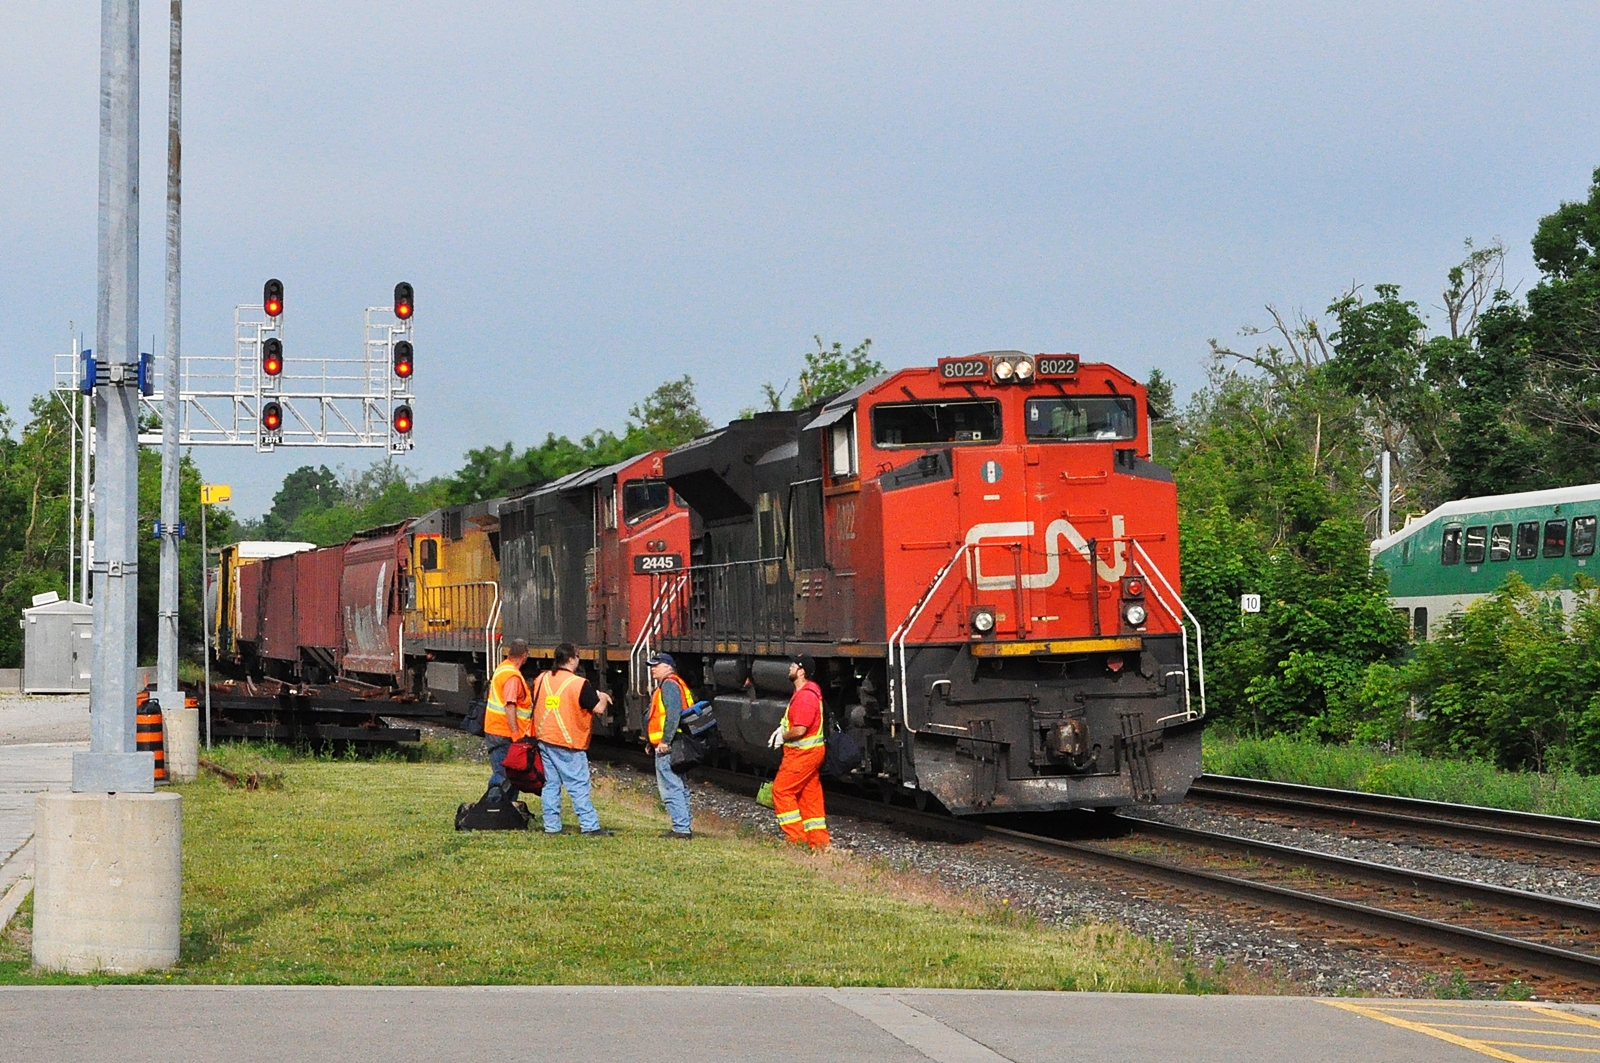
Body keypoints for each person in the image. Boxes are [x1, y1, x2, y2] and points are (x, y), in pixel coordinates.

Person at [533, 642, 613, 836]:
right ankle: (590, 826)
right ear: (570, 659)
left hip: (545, 737)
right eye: (577, 656)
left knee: (551, 784)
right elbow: (598, 708)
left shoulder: (541, 678)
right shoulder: (579, 683)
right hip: (569, 742)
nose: (578, 660)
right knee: (578, 785)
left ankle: (551, 826)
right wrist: (603, 696)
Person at [766, 651, 829, 850]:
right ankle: (818, 842)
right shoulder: (807, 693)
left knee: (781, 791)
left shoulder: (805, 697)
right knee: (810, 795)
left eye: (793, 665)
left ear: (801, 672)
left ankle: (796, 840)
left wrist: (781, 736)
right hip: (810, 753)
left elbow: (800, 729)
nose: (790, 668)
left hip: (802, 754)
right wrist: (782, 729)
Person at [644, 652, 693, 839]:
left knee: (671, 787)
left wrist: (664, 741)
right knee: (679, 785)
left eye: (656, 665)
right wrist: (651, 741)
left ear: (668, 666)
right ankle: (684, 825)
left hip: (669, 746)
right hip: (675, 743)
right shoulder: (673, 684)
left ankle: (681, 828)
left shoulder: (670, 685)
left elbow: (673, 715)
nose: (653, 669)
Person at [483, 639, 533, 805]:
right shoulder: (512, 676)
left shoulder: (502, 668)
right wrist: (515, 734)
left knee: (511, 774)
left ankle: (506, 810)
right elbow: (510, 705)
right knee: (503, 773)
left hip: (497, 730)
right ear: (524, 655)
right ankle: (490, 808)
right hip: (504, 733)